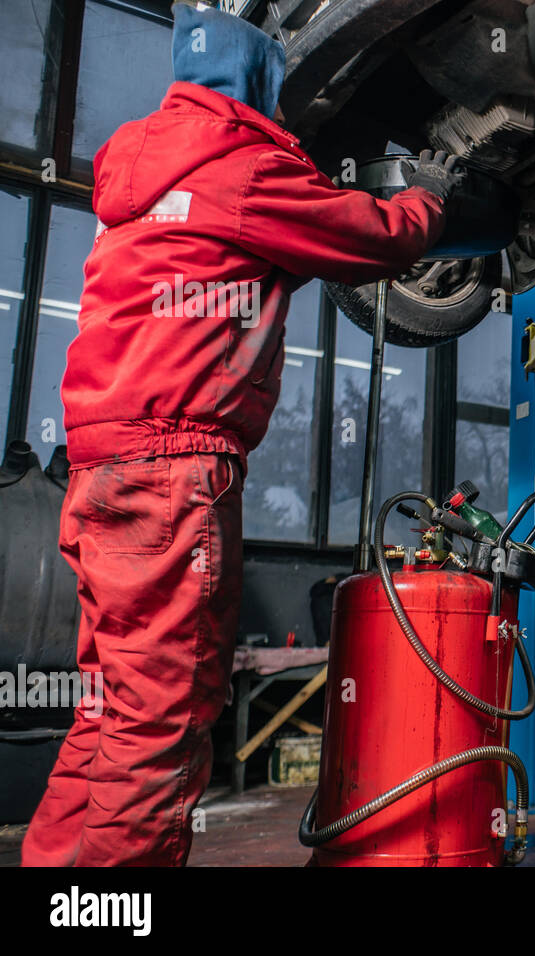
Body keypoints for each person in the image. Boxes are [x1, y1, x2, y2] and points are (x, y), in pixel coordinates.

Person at [22, 3, 462, 866]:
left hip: (97, 474)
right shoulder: (244, 169)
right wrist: (431, 202)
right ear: (259, 84)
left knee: (109, 708)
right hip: (171, 476)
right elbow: (369, 236)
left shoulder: (134, 172)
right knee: (162, 721)